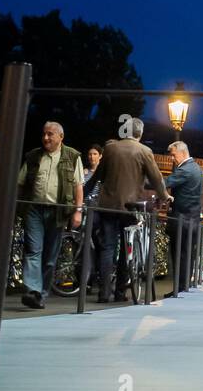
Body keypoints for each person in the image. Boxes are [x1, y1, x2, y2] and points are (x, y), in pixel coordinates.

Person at [88, 121, 169, 302]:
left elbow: (98, 175)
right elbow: (156, 178)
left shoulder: (110, 149)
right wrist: (164, 196)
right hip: (130, 207)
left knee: (107, 248)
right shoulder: (144, 151)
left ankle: (103, 292)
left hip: (108, 205)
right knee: (127, 249)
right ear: (140, 133)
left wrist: (85, 192)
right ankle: (120, 292)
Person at [17, 122, 84, 309]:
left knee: (49, 257)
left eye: (50, 134)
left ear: (61, 137)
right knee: (33, 250)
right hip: (34, 209)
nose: (46, 138)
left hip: (58, 211)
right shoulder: (33, 156)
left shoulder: (72, 156)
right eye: (44, 134)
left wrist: (77, 211)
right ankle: (32, 290)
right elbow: (20, 183)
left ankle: (41, 294)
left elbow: (79, 186)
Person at [166, 141, 203, 293]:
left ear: (182, 153)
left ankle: (179, 289)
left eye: (173, 155)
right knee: (187, 256)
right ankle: (183, 288)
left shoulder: (185, 170)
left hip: (182, 220)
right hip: (194, 219)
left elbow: (166, 182)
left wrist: (143, 181)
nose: (172, 159)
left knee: (179, 255)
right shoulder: (197, 168)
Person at [83, 145, 104, 290]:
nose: (92, 157)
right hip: (85, 208)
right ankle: (86, 278)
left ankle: (94, 276)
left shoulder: (103, 173)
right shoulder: (84, 172)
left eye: (95, 154)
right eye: (90, 154)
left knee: (96, 243)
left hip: (96, 210)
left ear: (100, 156)